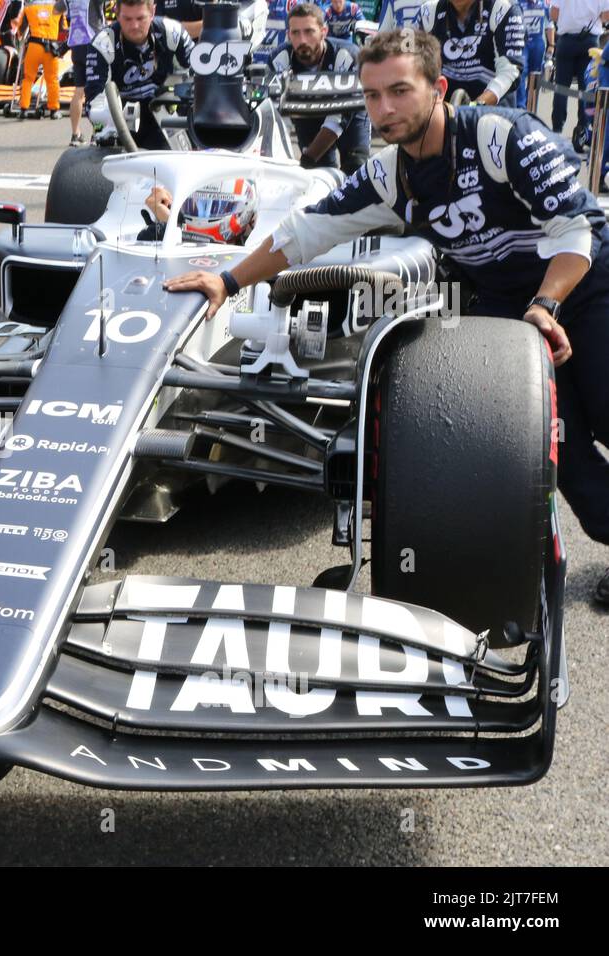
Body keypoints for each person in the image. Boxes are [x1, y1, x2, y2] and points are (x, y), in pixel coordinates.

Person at [163, 27, 609, 607]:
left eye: (400, 91)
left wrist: (547, 303)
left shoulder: (502, 137)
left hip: (585, 283)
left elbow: (578, 226)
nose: (384, 109)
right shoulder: (387, 174)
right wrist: (226, 281)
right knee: (561, 451)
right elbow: (305, 233)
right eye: (373, 96)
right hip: (509, 307)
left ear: (438, 89)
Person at [267, 2, 369, 171]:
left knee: (356, 167)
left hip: (350, 112)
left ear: (324, 32)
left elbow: (340, 117)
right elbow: (278, 117)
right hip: (305, 112)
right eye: (295, 33)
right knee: (315, 172)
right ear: (288, 35)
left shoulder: (348, 56)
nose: (302, 40)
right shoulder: (279, 58)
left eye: (309, 32)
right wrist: (285, 163)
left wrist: (309, 157)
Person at [82, 0, 195, 150]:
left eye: (140, 18)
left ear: (153, 12)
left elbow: (197, 75)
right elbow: (94, 103)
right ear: (116, 14)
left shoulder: (172, 32)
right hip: (120, 121)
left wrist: (175, 93)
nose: (134, 26)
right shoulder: (102, 43)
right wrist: (111, 119)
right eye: (127, 19)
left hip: (162, 113)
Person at [422, 0, 524, 106]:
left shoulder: (504, 8)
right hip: (444, 107)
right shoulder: (428, 12)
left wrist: (475, 106)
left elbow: (510, 71)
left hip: (492, 109)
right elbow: (414, 64)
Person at [549, 0, 609, 141]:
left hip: (566, 40)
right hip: (590, 39)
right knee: (586, 88)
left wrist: (570, 18)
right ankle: (583, 130)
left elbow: (554, 14)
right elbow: (606, 15)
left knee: (561, 88)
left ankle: (557, 130)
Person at [0, 0, 65, 118]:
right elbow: (62, 29)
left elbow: (21, 31)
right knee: (52, 80)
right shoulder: (59, 7)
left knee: (28, 79)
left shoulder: (29, 8)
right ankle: (54, 111)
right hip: (51, 48)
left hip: (34, 47)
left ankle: (23, 108)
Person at [65, 0, 107, 144]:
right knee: (97, 91)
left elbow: (56, 10)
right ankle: (97, 133)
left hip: (76, 44)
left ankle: (75, 134)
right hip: (94, 43)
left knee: (79, 91)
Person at [516, 0, 554, 107]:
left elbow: (549, 24)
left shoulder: (544, 3)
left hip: (538, 43)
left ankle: (531, 106)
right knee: (521, 72)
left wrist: (551, 44)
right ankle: (520, 105)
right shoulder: (517, 2)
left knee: (535, 76)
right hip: (522, 42)